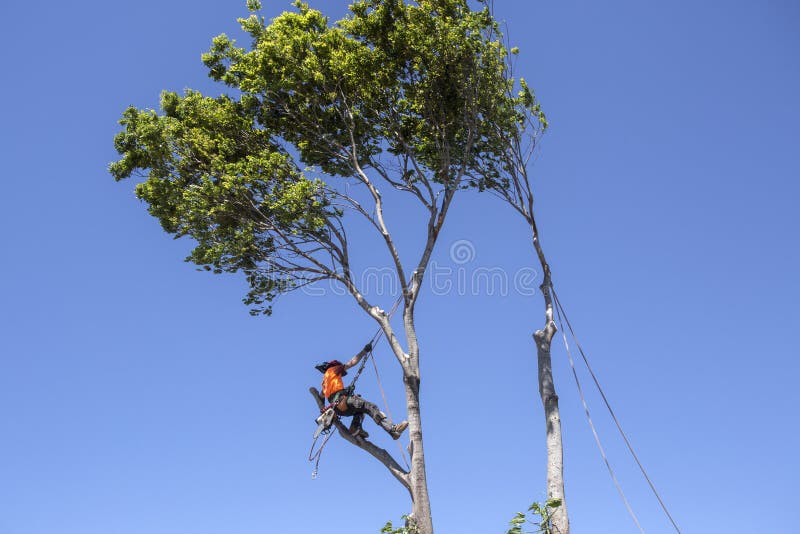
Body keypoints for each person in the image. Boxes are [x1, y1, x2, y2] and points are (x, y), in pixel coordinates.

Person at [315, 343, 408, 440]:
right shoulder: (333, 369)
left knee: (359, 410)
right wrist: (364, 351)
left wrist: (323, 411)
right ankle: (392, 429)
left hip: (338, 410)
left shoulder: (324, 383)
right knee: (370, 407)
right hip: (342, 402)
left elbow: (321, 396)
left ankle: (355, 428)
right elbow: (351, 362)